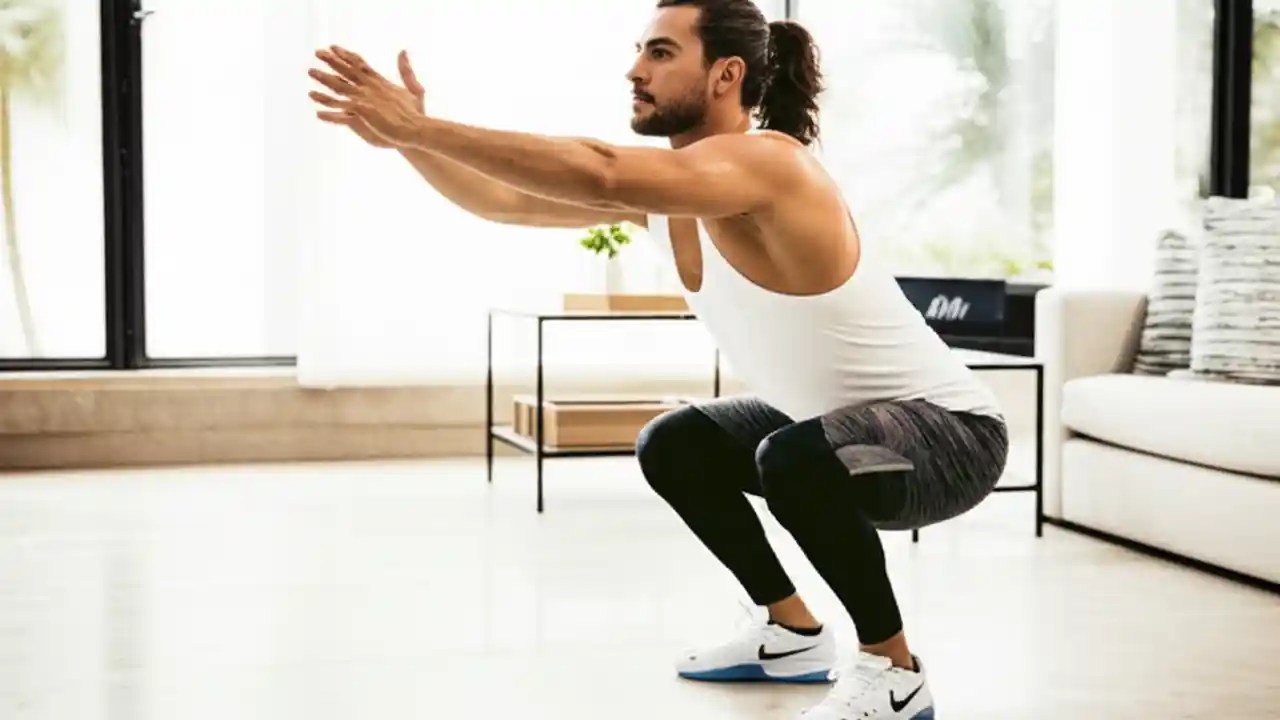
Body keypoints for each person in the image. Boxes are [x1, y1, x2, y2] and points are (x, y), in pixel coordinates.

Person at [308, 1, 1008, 717]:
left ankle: (894, 673)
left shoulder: (771, 163)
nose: (635, 69)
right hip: (833, 423)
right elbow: (504, 201)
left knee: (791, 457)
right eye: (640, 50)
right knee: (677, 444)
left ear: (725, 75)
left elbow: (604, 170)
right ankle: (790, 632)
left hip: (950, 436)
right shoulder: (673, 198)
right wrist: (409, 142)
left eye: (661, 52)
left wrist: (421, 127)